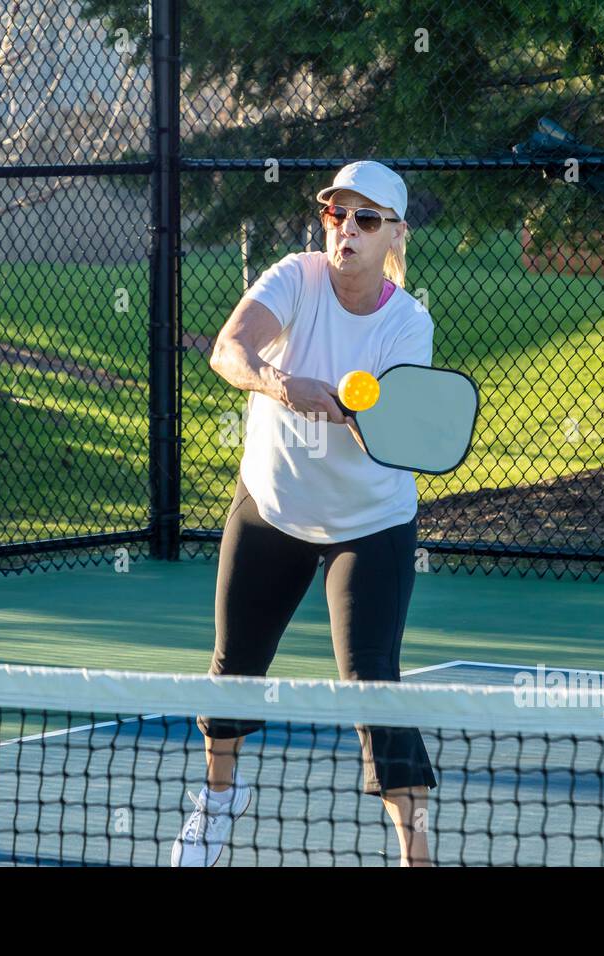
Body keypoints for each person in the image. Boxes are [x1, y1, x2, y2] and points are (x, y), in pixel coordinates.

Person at [172, 161, 436, 867]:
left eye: (366, 219)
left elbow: (398, 441)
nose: (346, 229)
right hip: (274, 504)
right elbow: (229, 351)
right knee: (233, 666)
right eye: (335, 214)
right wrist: (284, 385)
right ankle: (219, 802)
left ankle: (416, 851)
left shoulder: (409, 324)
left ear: (393, 236)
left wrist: (357, 413)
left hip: (371, 523)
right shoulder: (295, 276)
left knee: (374, 679)